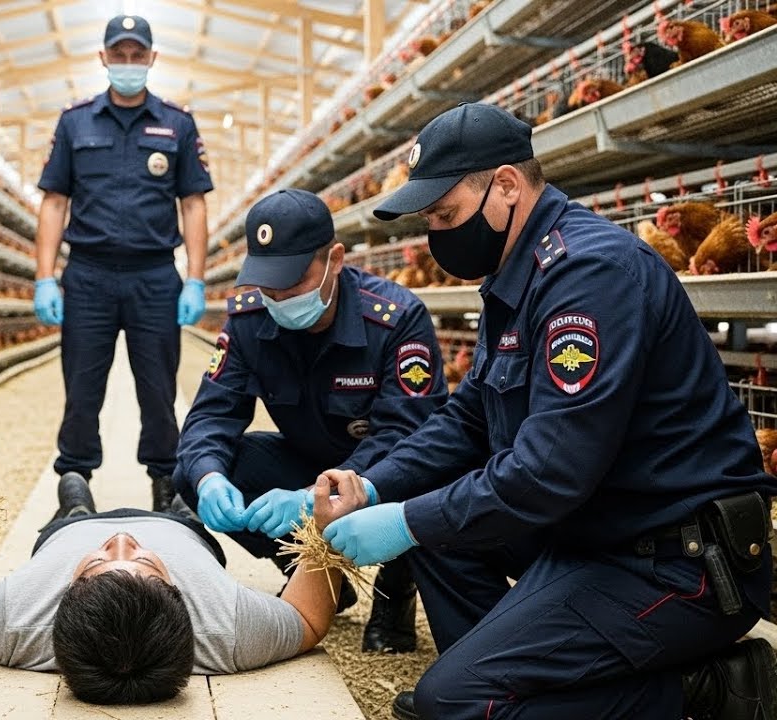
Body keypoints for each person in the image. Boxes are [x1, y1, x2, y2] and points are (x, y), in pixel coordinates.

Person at [317, 102, 777, 720]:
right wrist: (377, 487)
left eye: (445, 214)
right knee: (440, 530)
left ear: (507, 185)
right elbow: (469, 416)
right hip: (595, 528)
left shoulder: (589, 275)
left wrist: (407, 522)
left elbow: (549, 471)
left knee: (452, 700)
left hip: (676, 561)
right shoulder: (519, 273)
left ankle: (710, 690)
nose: (437, 235)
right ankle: (510, 678)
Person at [173, 188, 447, 652]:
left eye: (294, 282)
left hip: (379, 470)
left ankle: (395, 592)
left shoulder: (395, 320)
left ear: (335, 260)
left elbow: (409, 433)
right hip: (308, 459)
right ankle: (315, 574)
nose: (279, 297)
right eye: (268, 285)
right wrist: (209, 477)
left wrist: (321, 493)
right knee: (193, 469)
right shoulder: (248, 321)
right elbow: (212, 414)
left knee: (425, 475)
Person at [0, 448, 364, 706]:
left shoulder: (16, 624)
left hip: (69, 534)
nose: (120, 540)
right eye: (145, 562)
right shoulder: (228, 629)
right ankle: (170, 497)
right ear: (176, 591)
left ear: (66, 593)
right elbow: (307, 620)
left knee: (73, 508)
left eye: (95, 563)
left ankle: (75, 501)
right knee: (184, 504)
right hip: (181, 531)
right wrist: (325, 529)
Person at [33, 14, 213, 512]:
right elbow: (54, 201)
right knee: (82, 386)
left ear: (152, 58)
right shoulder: (75, 122)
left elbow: (193, 203)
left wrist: (195, 279)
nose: (128, 62)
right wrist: (44, 277)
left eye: (137, 54)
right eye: (119, 54)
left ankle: (165, 482)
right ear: (103, 57)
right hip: (87, 274)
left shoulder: (178, 124)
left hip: (154, 275)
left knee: (158, 389)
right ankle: (74, 481)